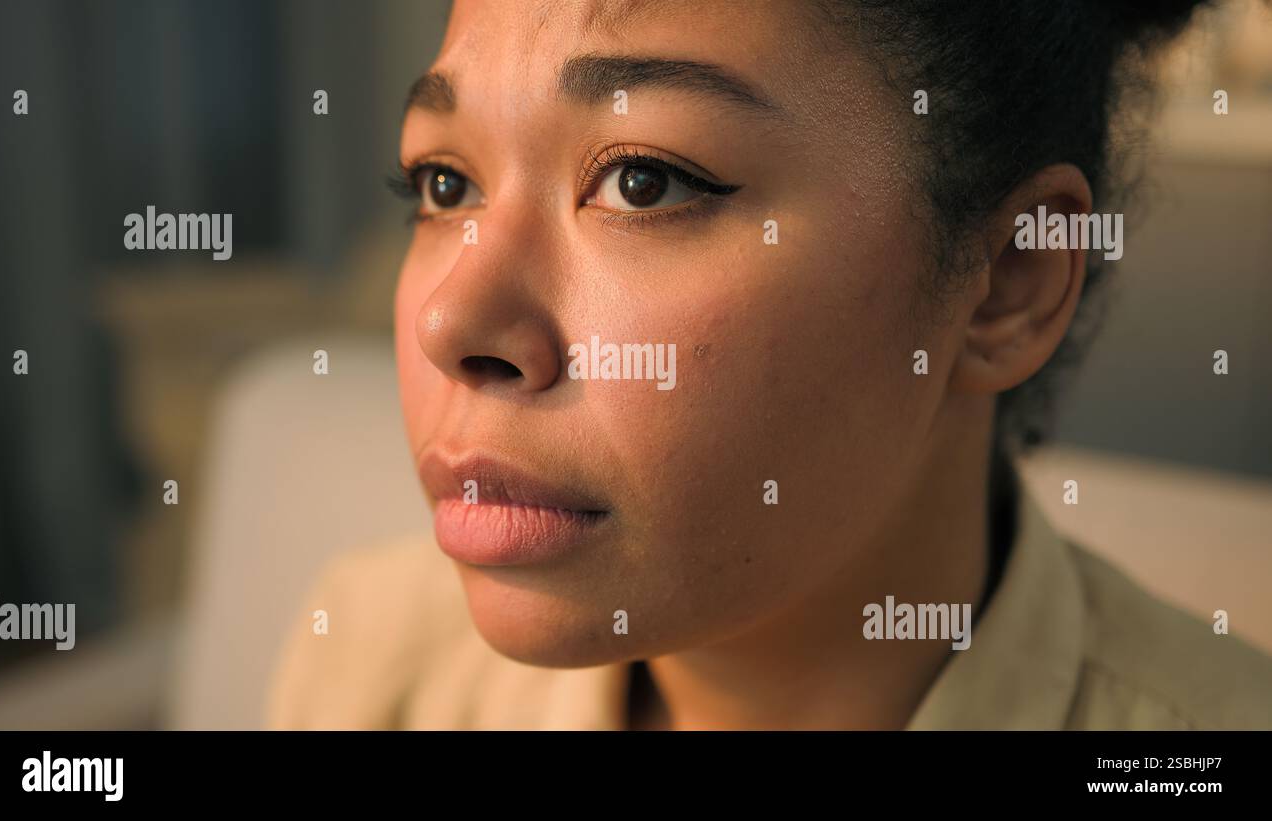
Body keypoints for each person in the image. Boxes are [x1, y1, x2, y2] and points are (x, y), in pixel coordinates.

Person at [267, 0, 1272, 730]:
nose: (451, 320)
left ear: (1005, 281)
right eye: (445, 181)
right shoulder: (371, 660)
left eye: (644, 180)